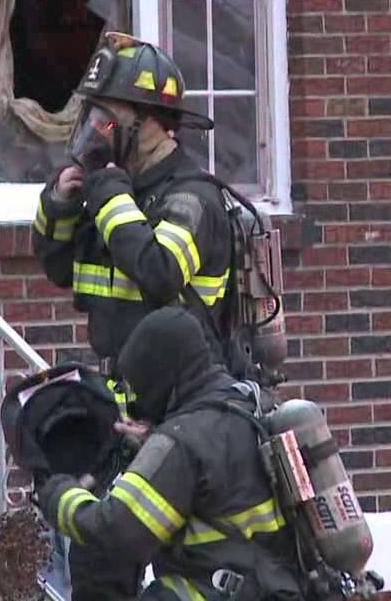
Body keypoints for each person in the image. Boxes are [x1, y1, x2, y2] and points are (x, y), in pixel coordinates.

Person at [32, 32, 236, 599]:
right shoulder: (110, 190)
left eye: (107, 115)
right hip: (118, 405)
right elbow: (58, 267)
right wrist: (61, 204)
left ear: (149, 121)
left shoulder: (192, 198)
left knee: (186, 564)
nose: (95, 129)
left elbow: (159, 270)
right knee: (100, 562)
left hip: (182, 412)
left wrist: (109, 196)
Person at [36, 306, 299, 600]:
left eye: (142, 386)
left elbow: (115, 533)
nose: (139, 401)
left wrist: (58, 493)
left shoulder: (181, 443)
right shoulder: (251, 404)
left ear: (162, 375)